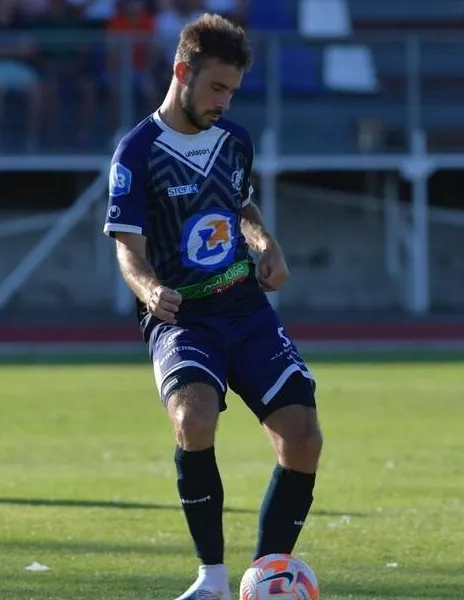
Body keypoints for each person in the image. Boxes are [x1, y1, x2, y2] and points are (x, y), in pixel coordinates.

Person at [101, 13, 323, 600]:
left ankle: (267, 577)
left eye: (232, 91)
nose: (225, 102)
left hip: (245, 309)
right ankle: (213, 579)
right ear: (182, 72)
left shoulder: (235, 142)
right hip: (182, 319)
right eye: (216, 88)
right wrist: (149, 290)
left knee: (303, 438)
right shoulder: (137, 152)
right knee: (193, 422)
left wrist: (266, 244)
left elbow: (240, 205)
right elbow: (127, 246)